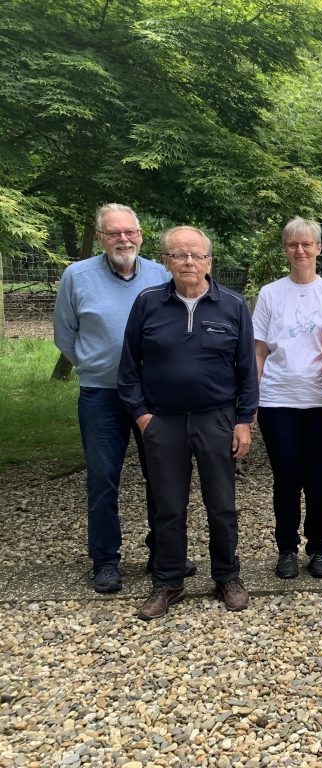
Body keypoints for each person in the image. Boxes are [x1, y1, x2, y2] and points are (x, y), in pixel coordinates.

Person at [53, 203, 195, 593]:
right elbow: (65, 334)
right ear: (101, 238)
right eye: (114, 233)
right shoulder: (77, 276)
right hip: (101, 394)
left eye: (130, 232)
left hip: (154, 395)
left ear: (141, 235)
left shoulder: (160, 273)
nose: (123, 239)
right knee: (103, 479)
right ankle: (105, 560)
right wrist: (94, 364)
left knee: (162, 477)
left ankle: (163, 552)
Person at [119, 226, 258, 620]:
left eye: (196, 255)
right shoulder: (147, 303)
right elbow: (128, 367)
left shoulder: (232, 305)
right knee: (167, 506)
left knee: (222, 504)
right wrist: (142, 416)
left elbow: (247, 370)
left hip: (217, 418)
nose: (189, 262)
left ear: (209, 261)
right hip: (162, 421)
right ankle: (168, 581)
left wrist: (244, 420)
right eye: (179, 255)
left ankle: (227, 576)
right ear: (166, 262)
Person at [253, 217, 322, 580]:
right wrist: (252, 401)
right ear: (285, 249)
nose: (300, 250)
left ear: (318, 248)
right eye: (293, 244)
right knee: (287, 478)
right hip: (278, 400)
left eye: (307, 244)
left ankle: (319, 547)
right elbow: (259, 351)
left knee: (319, 478)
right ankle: (287, 548)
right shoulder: (270, 293)